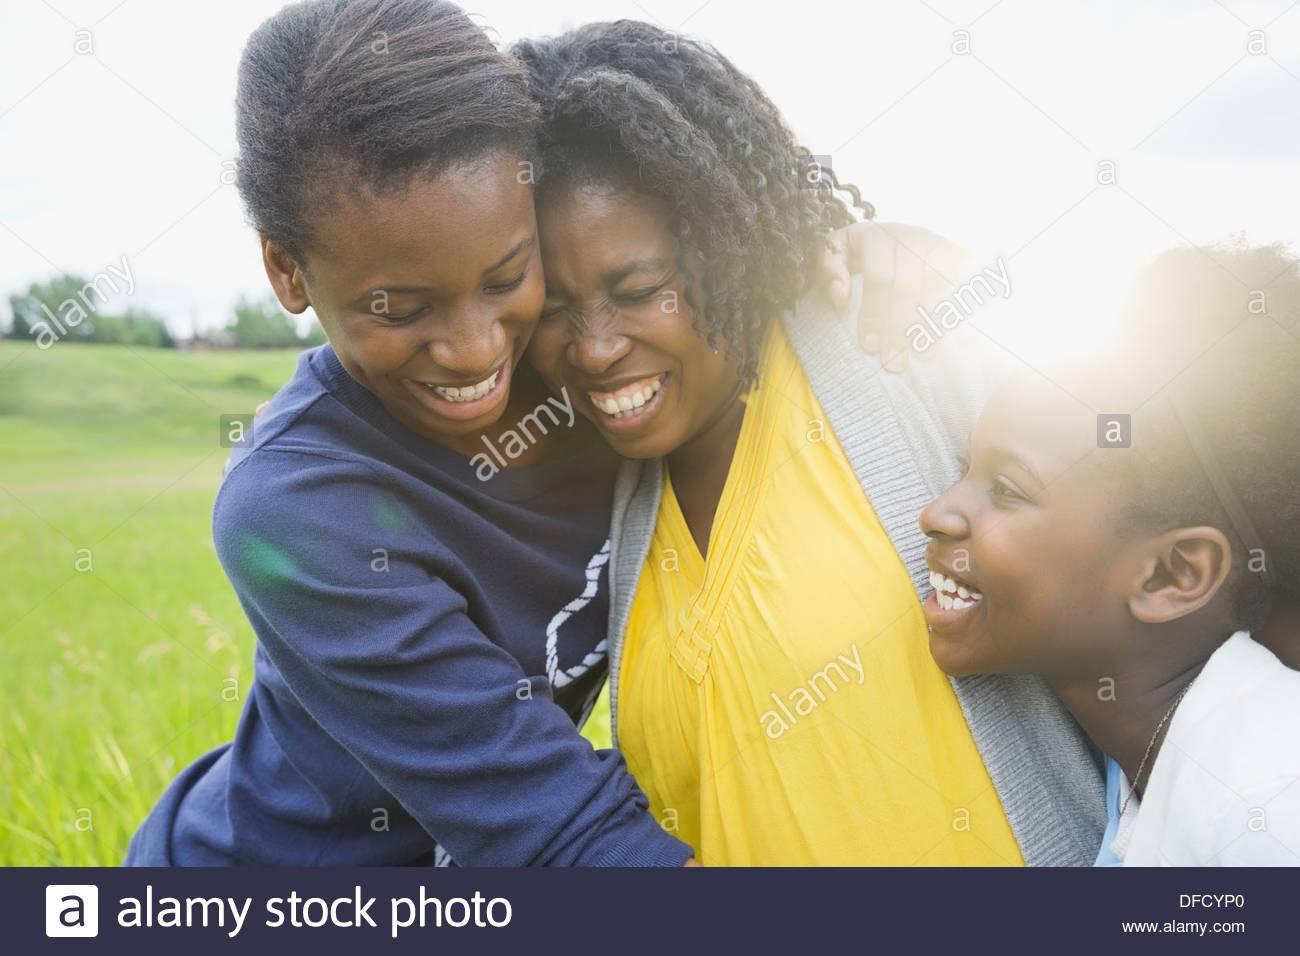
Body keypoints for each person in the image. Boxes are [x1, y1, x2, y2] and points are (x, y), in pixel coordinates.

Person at [126, 0, 934, 866]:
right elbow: (561, 835)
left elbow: (711, 233)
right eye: (400, 307)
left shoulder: (589, 370)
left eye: (511, 277)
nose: (477, 351)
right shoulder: (297, 507)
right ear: (287, 269)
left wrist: (851, 246)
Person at [517, 20, 1104, 865]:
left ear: (729, 243)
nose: (597, 346)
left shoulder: (896, 343)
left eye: (641, 290)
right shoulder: (604, 490)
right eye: (550, 311)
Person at [917, 242, 1300, 865]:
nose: (934, 513)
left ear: (1170, 576)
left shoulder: (1267, 812)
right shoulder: (1140, 766)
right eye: (965, 467)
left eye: (1008, 490)